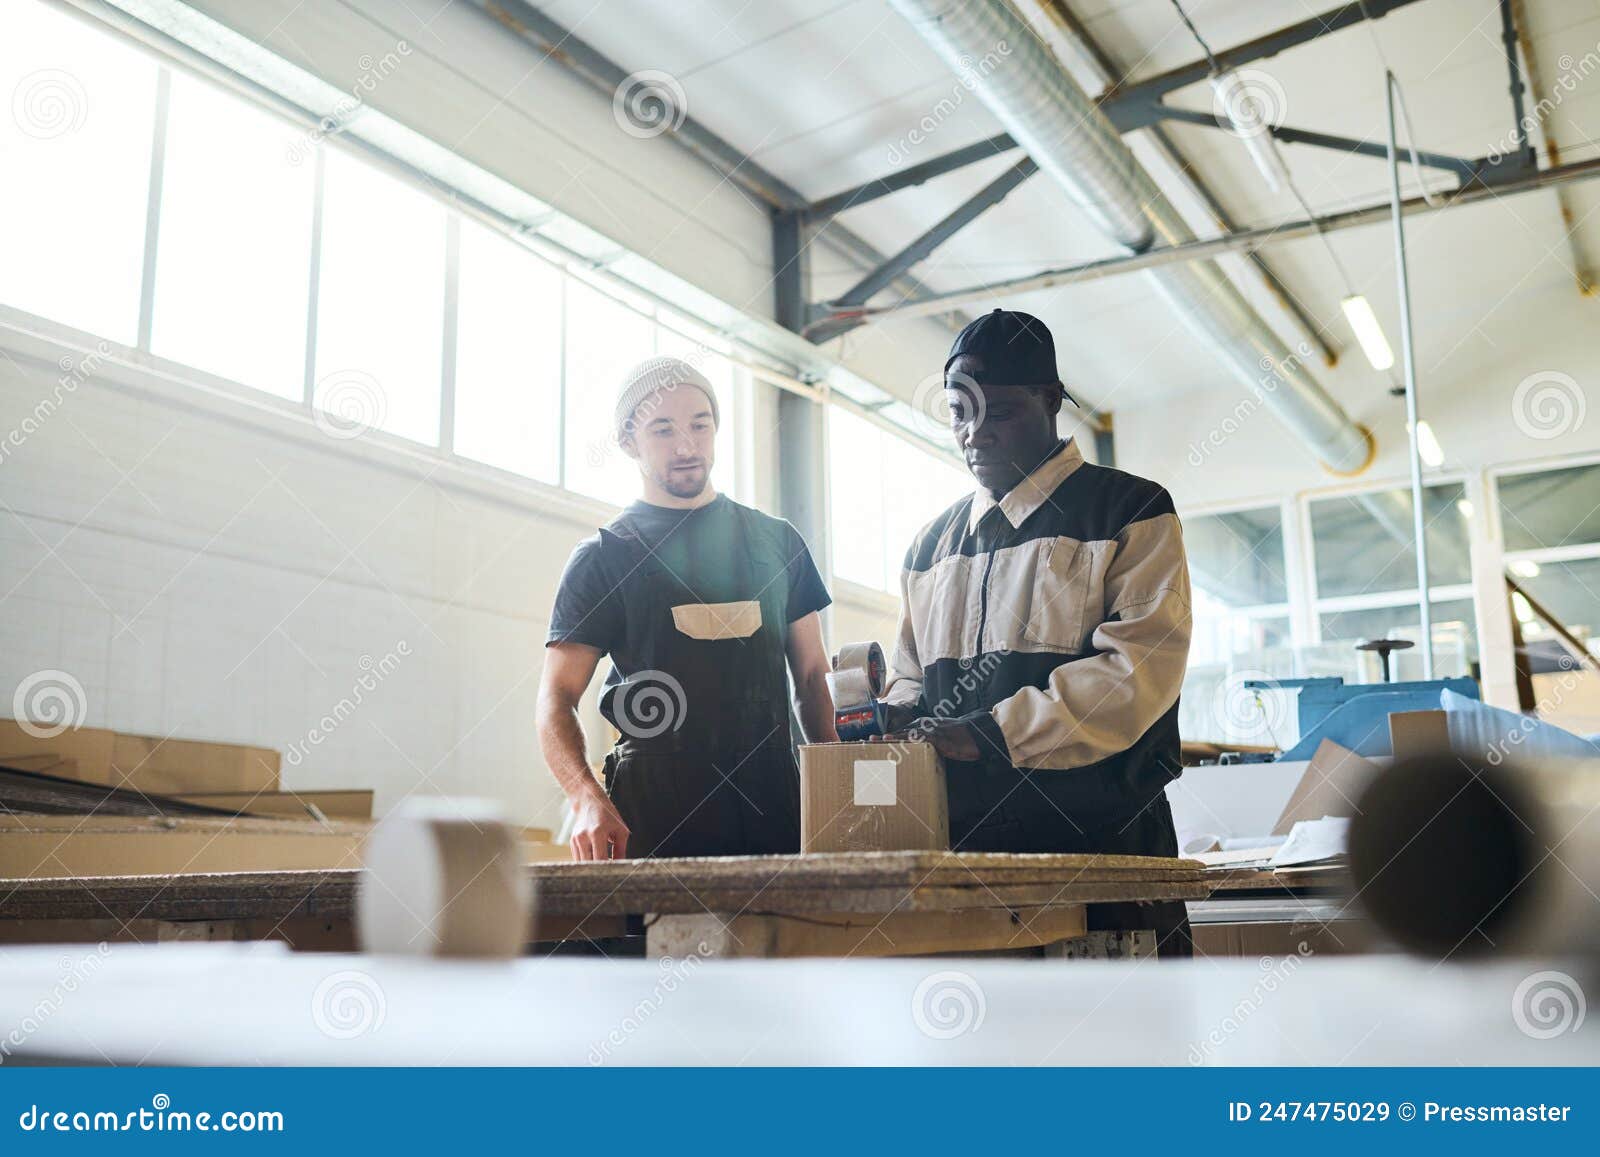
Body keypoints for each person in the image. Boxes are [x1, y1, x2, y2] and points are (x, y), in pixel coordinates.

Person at [879, 309, 1195, 956]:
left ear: (1051, 401)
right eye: (959, 413)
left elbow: (1136, 673)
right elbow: (911, 674)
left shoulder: (1129, 510)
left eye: (1001, 413)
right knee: (982, 1049)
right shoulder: (930, 547)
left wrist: (990, 734)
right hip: (963, 859)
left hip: (1103, 854)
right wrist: (892, 717)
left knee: (1120, 1046)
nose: (976, 434)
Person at [537, 355, 837, 860]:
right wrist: (586, 797)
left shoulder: (776, 542)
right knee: (662, 942)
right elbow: (555, 698)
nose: (686, 446)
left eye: (700, 425)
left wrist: (840, 792)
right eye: (662, 429)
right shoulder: (606, 557)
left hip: (774, 814)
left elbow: (811, 677)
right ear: (628, 441)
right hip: (655, 822)